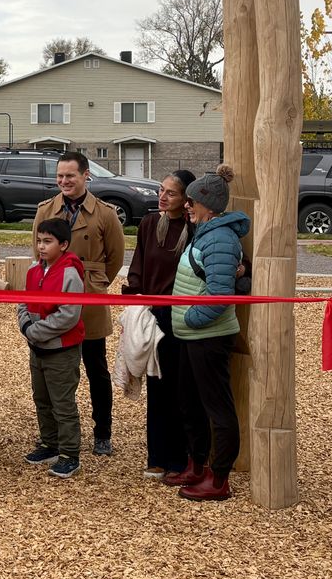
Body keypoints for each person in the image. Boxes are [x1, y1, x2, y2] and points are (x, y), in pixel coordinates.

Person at [32, 151, 126, 455]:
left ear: (86, 176)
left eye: (70, 176)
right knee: (54, 368)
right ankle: (56, 435)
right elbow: (39, 253)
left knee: (96, 369)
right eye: (60, 176)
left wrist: (95, 284)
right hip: (56, 300)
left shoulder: (105, 213)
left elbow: (115, 258)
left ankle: (103, 432)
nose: (64, 181)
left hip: (90, 299)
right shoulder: (46, 210)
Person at [164, 166, 248, 501]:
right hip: (192, 336)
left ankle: (219, 478)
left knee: (217, 408)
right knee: (190, 403)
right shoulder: (206, 233)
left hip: (208, 337)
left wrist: (192, 317)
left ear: (209, 206)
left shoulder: (221, 239)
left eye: (193, 201)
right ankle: (197, 464)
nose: (187, 205)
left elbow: (220, 294)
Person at [122, 169, 196, 479]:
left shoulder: (194, 229)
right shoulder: (151, 223)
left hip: (179, 315)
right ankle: (157, 456)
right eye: (160, 189)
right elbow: (139, 262)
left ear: (186, 199)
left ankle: (181, 459)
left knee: (180, 387)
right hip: (150, 311)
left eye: (171, 193)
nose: (162, 197)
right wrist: (133, 298)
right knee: (155, 383)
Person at [17, 218, 85, 479]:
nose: (41, 246)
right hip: (37, 347)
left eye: (48, 242)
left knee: (62, 402)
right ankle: (50, 443)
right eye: (39, 241)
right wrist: (25, 326)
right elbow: (23, 303)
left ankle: (70, 452)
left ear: (63, 245)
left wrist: (34, 332)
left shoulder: (70, 273)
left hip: (61, 349)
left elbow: (68, 315)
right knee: (42, 398)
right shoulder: (34, 271)